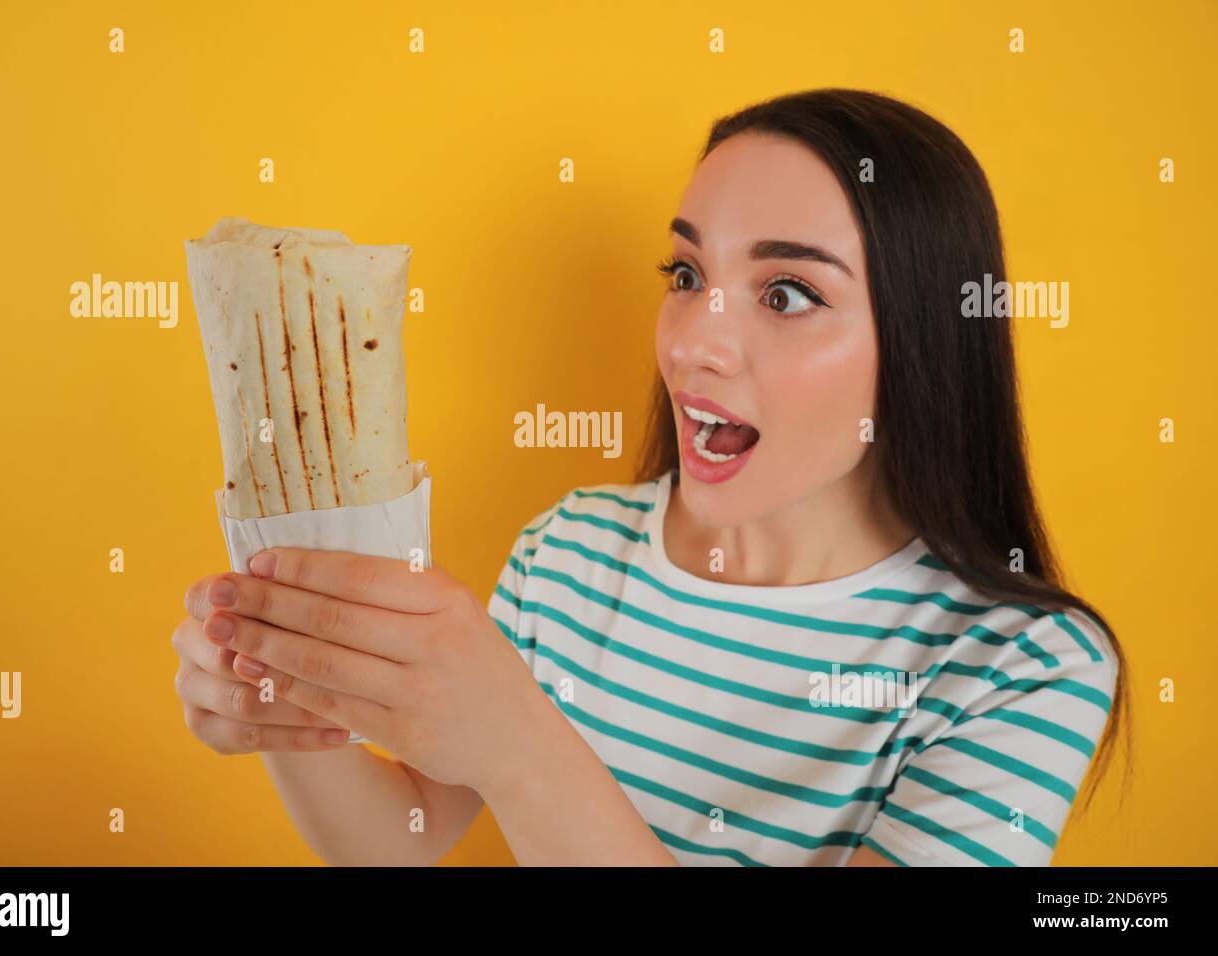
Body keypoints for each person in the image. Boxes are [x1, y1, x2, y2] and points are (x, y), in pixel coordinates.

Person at [171, 88, 1128, 866]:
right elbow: (399, 840)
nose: (694, 340)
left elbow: (514, 763)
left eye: (788, 292)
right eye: (683, 276)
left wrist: (521, 747)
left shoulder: (1023, 669)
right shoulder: (570, 548)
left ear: (920, 345)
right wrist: (283, 695)